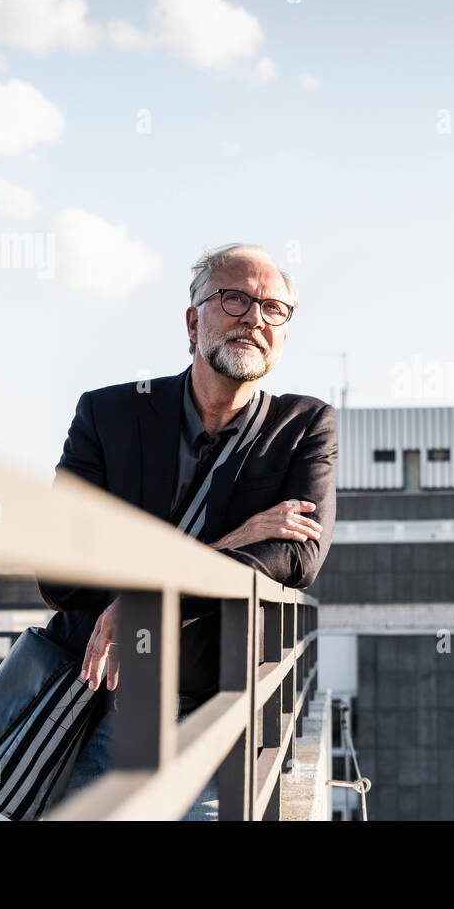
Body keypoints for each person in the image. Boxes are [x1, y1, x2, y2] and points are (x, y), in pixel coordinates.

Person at [35, 242, 338, 819]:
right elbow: (59, 571)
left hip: (215, 715)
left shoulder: (303, 426)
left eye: (274, 309)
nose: (254, 318)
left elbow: (296, 560)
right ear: (193, 318)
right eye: (234, 299)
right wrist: (228, 544)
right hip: (101, 706)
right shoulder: (109, 414)